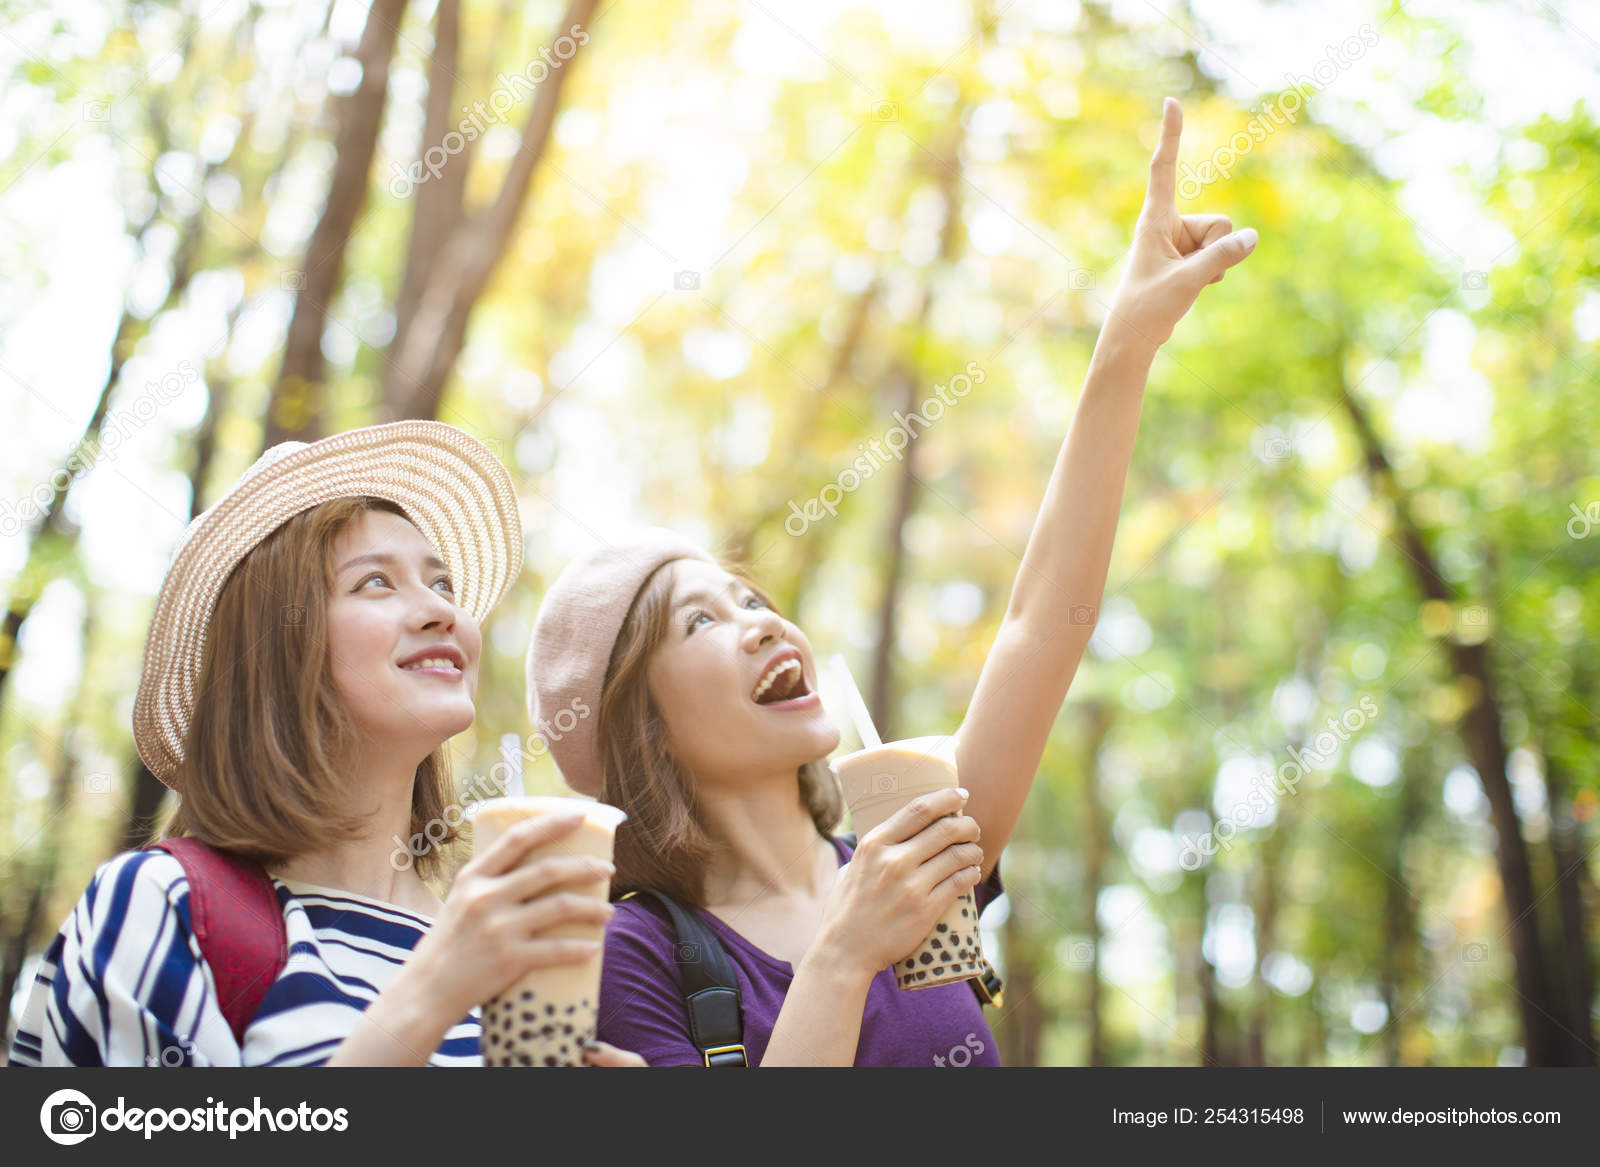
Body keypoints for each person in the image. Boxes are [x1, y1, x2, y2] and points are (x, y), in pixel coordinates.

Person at [523, 97, 1255, 1066]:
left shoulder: (916, 856)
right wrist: (845, 952)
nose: (757, 623)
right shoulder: (633, 959)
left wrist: (1126, 344)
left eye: (750, 600)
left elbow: (1042, 624)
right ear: (639, 723)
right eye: (697, 624)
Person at [8, 421, 642, 1067]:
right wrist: (428, 998)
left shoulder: (499, 955)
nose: (443, 611)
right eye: (375, 582)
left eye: (442, 583)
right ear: (276, 650)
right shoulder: (161, 904)